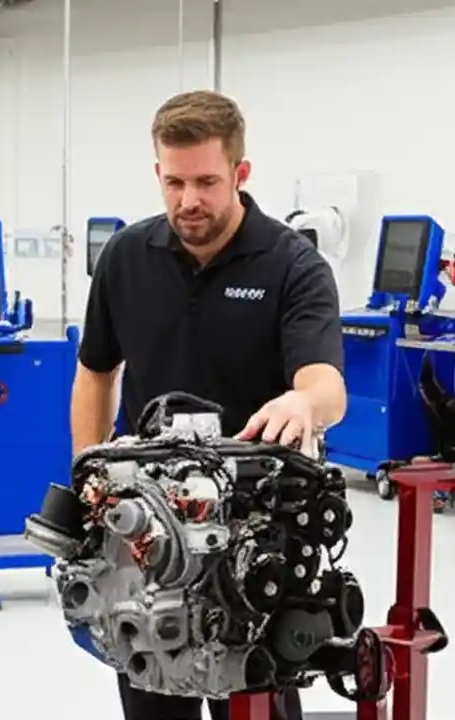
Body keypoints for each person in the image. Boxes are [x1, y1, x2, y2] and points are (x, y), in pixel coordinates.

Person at [69, 90, 347, 720]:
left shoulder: (292, 265)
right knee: (151, 699)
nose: (188, 201)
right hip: (150, 538)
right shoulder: (125, 258)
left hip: (254, 539)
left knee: (252, 703)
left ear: (241, 174)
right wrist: (88, 471)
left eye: (206, 182)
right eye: (174, 182)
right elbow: (95, 373)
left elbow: (326, 384)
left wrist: (302, 402)